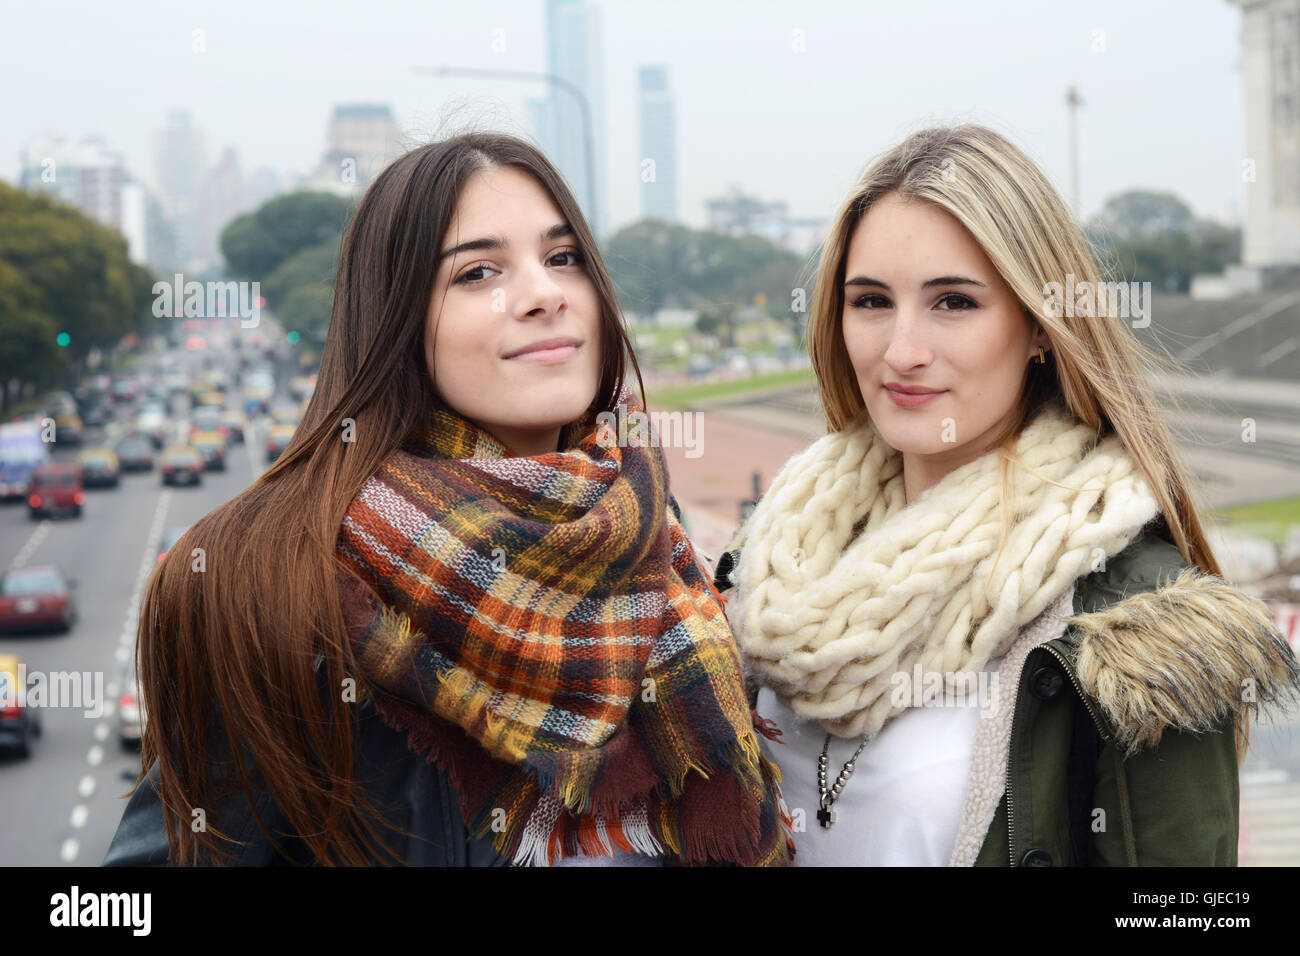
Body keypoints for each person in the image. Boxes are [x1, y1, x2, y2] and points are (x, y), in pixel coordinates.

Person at [103, 131, 792, 867]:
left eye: (563, 258)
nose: (544, 294)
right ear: (396, 318)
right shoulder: (280, 583)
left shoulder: (644, 523)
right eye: (477, 272)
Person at [713, 124, 1300, 866]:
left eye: (953, 302)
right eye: (870, 302)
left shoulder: (1145, 634)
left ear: (1039, 328)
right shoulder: (763, 564)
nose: (902, 351)